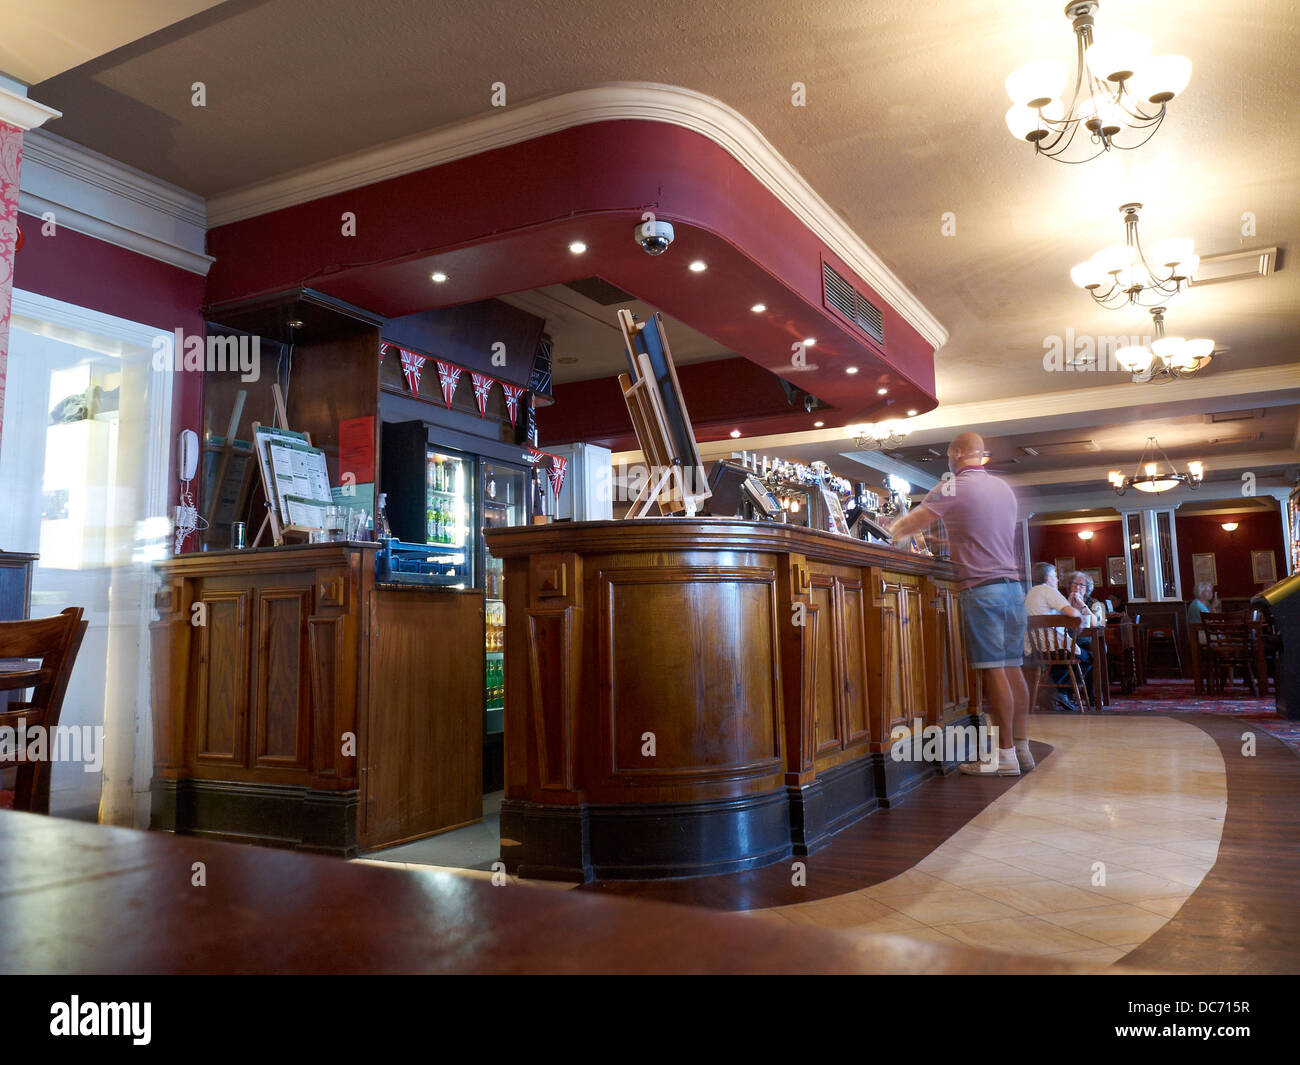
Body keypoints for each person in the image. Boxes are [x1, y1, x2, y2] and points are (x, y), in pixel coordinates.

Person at [885, 431, 1030, 776]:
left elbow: (910, 523)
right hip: (1013, 589)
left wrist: (888, 531)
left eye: (949, 455)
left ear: (957, 453)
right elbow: (983, 534)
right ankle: (1022, 749)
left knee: (993, 669)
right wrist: (945, 540)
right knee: (1013, 668)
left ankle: (1005, 755)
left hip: (982, 590)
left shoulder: (952, 486)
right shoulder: (1002, 488)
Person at [1024, 562, 1097, 712]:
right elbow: (1071, 613)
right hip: (1054, 647)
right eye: (1055, 576)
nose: (1057, 579)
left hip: (1036, 648)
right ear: (1047, 577)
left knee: (1070, 656)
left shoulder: (1030, 593)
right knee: (1090, 656)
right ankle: (1059, 691)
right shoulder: (1048, 591)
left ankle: (1053, 692)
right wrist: (1080, 616)